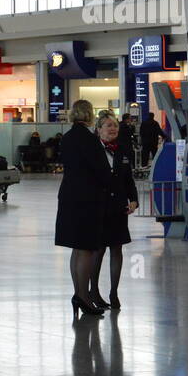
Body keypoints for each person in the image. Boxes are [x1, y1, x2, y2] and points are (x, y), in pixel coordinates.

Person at [55, 99, 113, 318]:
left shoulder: (67, 138)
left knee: (76, 248)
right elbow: (100, 169)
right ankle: (83, 296)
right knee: (87, 247)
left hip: (69, 194)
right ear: (89, 115)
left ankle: (78, 293)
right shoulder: (89, 139)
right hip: (87, 197)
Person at [87, 114, 139, 311]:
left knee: (116, 249)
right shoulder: (92, 151)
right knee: (98, 250)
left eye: (115, 126)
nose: (113, 129)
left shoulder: (123, 150)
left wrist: (133, 200)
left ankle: (114, 293)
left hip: (118, 207)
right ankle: (93, 292)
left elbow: (128, 180)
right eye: (108, 125)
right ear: (98, 129)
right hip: (99, 207)